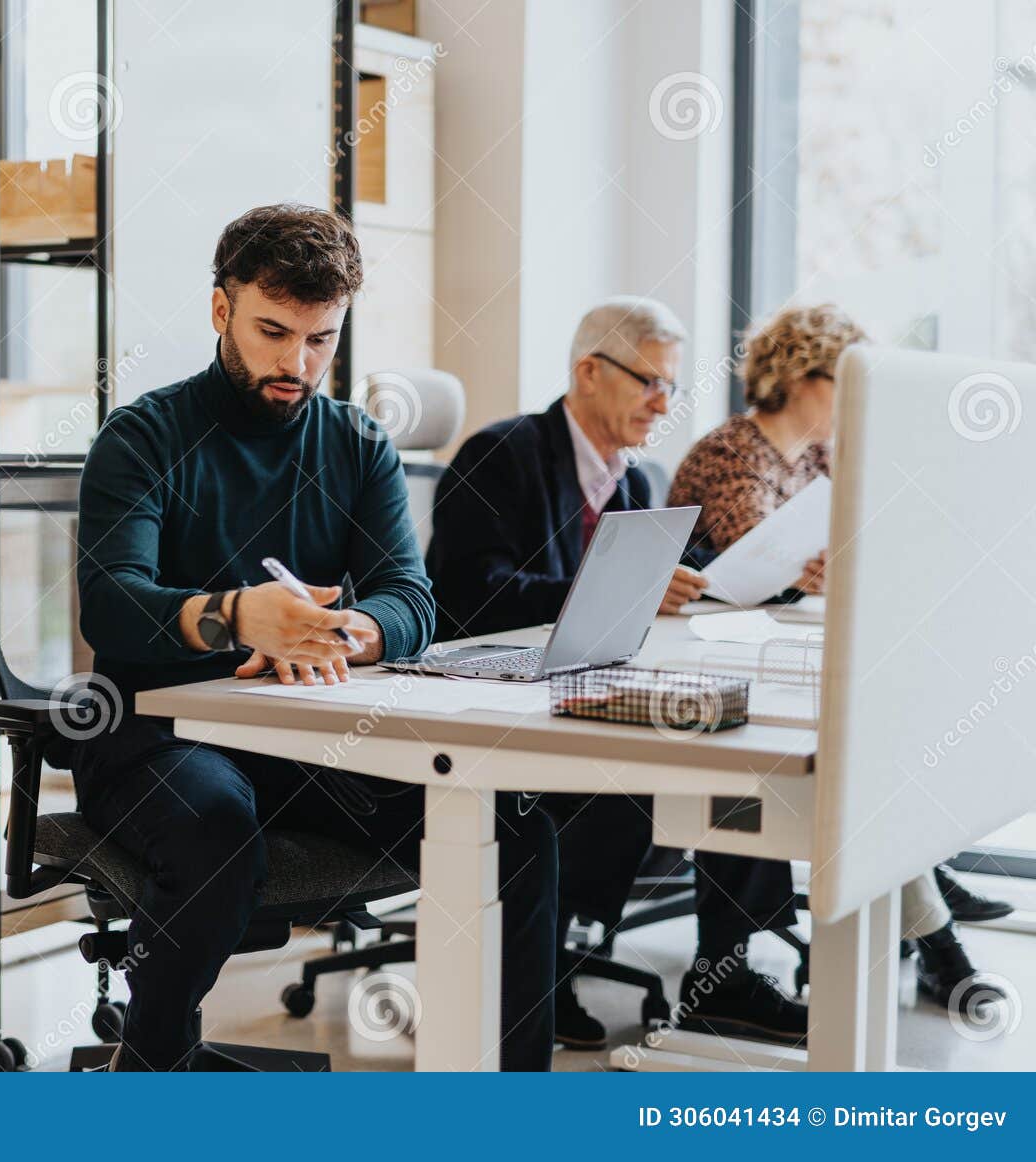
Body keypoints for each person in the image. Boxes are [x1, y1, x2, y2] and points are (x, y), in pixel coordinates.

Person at [72, 204, 559, 1071]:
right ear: (221, 310)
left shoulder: (357, 444)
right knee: (215, 821)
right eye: (273, 332)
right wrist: (232, 615)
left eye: (320, 341)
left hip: (309, 731)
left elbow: (414, 599)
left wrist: (357, 630)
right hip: (156, 729)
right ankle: (149, 1075)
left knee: (516, 824)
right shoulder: (143, 437)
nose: (296, 363)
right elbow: (111, 606)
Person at [426, 296, 809, 1049]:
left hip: (594, 689)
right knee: (640, 773)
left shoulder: (636, 480)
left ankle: (724, 973)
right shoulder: (500, 455)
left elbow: (691, 575)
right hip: (508, 697)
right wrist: (610, 591)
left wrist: (788, 576)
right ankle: (553, 965)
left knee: (728, 739)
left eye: (671, 387)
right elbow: (464, 598)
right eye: (649, 383)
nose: (665, 404)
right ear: (589, 372)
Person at [670, 303, 1012, 1015]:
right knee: (866, 753)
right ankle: (939, 939)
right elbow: (744, 569)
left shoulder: (822, 457)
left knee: (889, 728)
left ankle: (925, 895)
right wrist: (811, 570)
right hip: (713, 658)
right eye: (844, 380)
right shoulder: (735, 451)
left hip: (768, 650)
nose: (856, 399)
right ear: (798, 375)